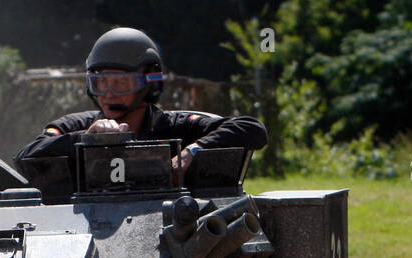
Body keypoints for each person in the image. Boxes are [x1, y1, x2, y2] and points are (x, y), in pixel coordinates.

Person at [15, 27, 268, 175]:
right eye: (100, 83)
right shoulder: (76, 126)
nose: (109, 94)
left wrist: (192, 151)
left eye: (121, 83)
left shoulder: (176, 127)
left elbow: (252, 129)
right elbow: (25, 158)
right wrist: (85, 140)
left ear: (148, 84)